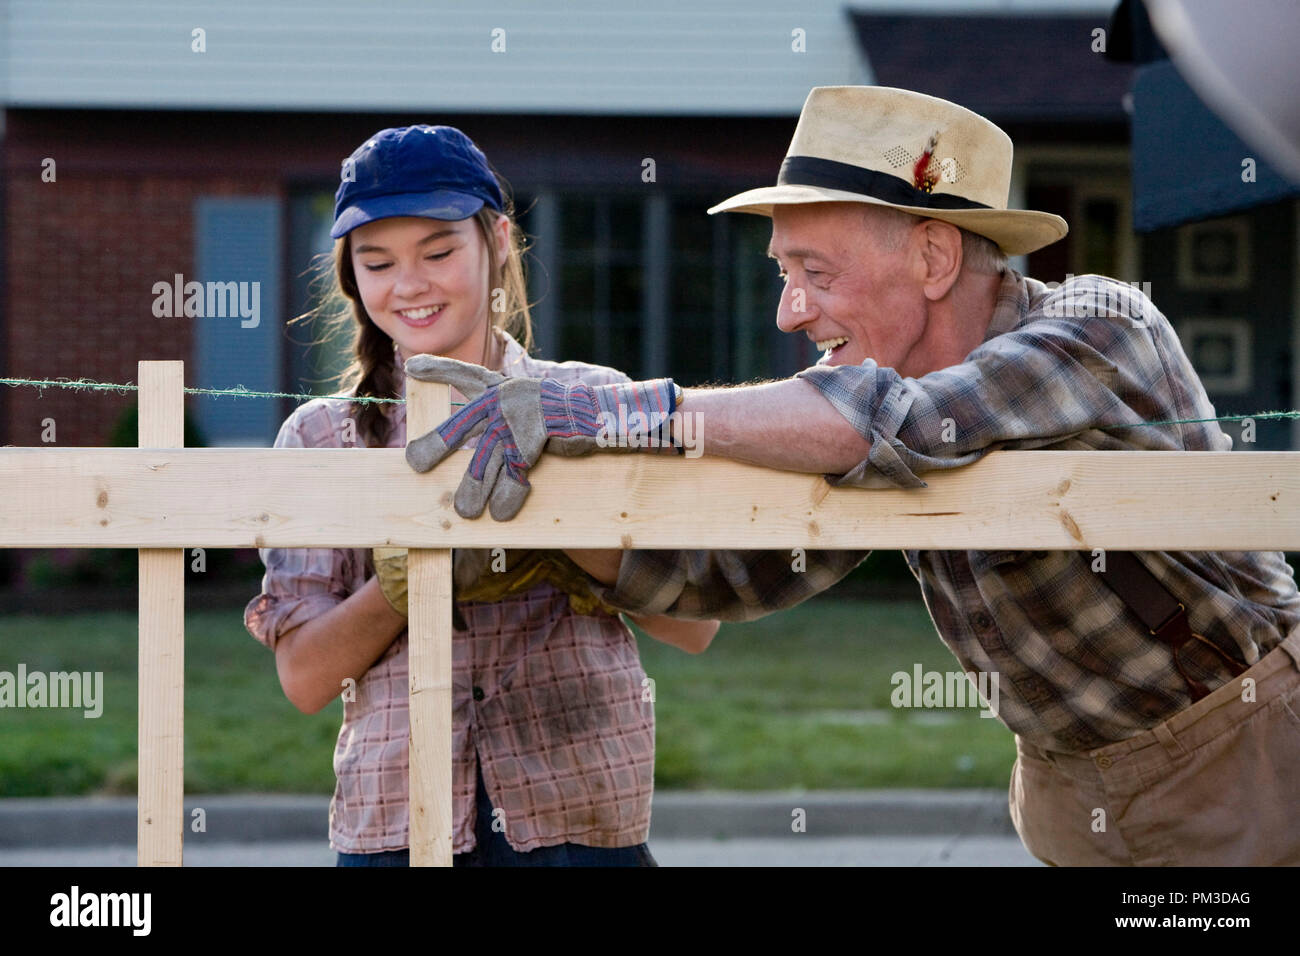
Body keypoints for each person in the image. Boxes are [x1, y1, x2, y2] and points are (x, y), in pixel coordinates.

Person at [404, 87, 1300, 866]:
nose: (792, 312)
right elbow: (735, 576)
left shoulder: (1099, 325)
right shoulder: (855, 415)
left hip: (1247, 761)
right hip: (1073, 797)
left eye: (814, 273)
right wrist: (547, 527)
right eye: (783, 274)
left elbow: (901, 424)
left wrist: (609, 413)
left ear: (936, 258)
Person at [244, 124, 718, 867]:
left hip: (577, 818)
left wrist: (558, 532)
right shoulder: (322, 438)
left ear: (497, 240)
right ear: (351, 276)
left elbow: (697, 626)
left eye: (438, 252)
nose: (410, 285)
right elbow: (303, 679)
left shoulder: (592, 402)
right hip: (396, 828)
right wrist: (410, 578)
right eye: (377, 262)